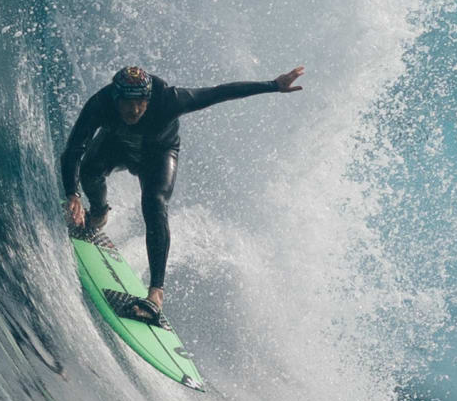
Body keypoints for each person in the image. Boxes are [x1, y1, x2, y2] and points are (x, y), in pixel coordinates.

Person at [60, 61, 304, 323]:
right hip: (117, 145)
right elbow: (74, 148)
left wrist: (273, 85)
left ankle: (155, 295)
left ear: (148, 98)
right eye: (128, 102)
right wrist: (73, 194)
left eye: (141, 101)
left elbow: (218, 92)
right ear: (116, 98)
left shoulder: (169, 100)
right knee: (89, 170)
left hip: (158, 154)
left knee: (154, 203)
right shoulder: (100, 104)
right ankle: (98, 214)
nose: (134, 109)